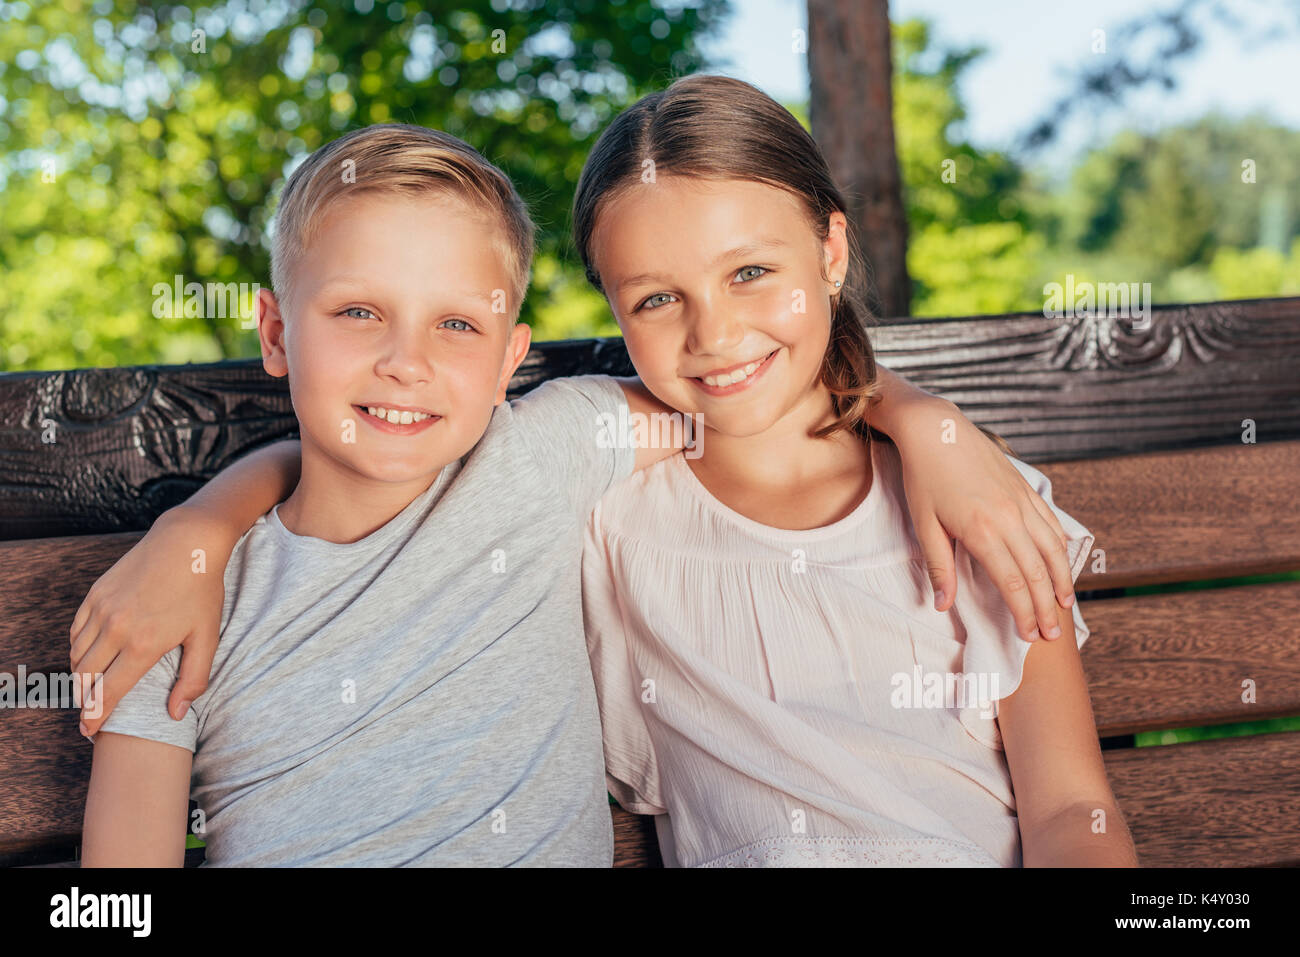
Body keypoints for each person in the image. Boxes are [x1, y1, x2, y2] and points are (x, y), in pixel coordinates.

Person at [74, 121, 1086, 867]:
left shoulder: (545, 453)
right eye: (357, 312)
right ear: (278, 333)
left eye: (456, 327)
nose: (405, 363)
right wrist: (196, 526)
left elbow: (758, 392)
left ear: (515, 359)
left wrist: (930, 426)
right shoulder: (174, 605)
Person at [570, 75, 1138, 867]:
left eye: (750, 273)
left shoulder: (981, 508)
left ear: (830, 252)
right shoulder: (609, 526)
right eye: (658, 298)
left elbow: (1072, 806)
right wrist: (917, 411)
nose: (716, 332)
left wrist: (924, 425)